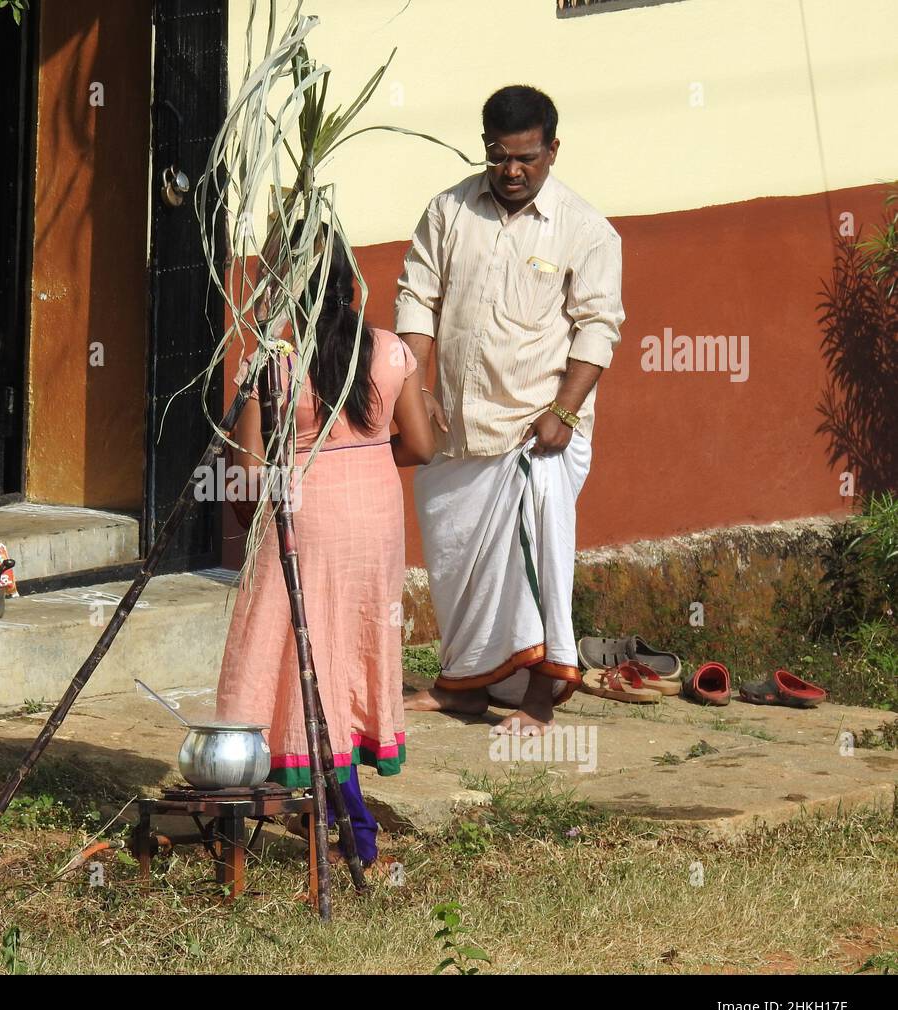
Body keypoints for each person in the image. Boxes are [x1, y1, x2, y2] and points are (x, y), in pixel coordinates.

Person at [396, 85, 625, 735]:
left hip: (539, 432)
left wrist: (565, 410)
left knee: (530, 566)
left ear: (552, 150)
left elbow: (597, 331)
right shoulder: (448, 212)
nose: (513, 170)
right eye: (499, 157)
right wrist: (418, 383)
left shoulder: (585, 230)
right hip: (460, 431)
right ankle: (465, 687)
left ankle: (539, 704)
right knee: (456, 557)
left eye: (527, 157)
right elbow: (417, 298)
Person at [216, 232, 436, 867]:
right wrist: (360, 459)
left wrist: (307, 460)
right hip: (376, 517)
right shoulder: (393, 352)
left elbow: (247, 484)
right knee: (347, 651)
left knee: (297, 653)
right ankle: (348, 822)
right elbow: (419, 447)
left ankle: (352, 828)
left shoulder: (273, 362)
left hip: (307, 515)